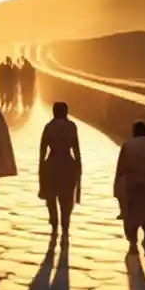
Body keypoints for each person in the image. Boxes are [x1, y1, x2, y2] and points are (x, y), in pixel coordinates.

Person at [114, 120, 145, 253]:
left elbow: (121, 168)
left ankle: (133, 240)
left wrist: (117, 188)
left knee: (130, 212)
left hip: (132, 184)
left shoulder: (128, 145)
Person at [39, 101, 81, 239]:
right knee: (67, 199)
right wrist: (79, 168)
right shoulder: (71, 127)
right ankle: (65, 225)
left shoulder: (49, 127)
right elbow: (76, 149)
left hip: (52, 164)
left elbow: (43, 150)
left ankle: (54, 221)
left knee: (51, 197)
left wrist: (41, 168)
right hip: (68, 164)